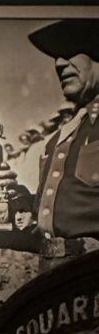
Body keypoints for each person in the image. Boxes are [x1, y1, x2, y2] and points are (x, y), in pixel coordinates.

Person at [26, 19, 99, 273]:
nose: (58, 64)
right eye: (57, 57)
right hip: (52, 273)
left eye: (69, 52)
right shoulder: (62, 135)